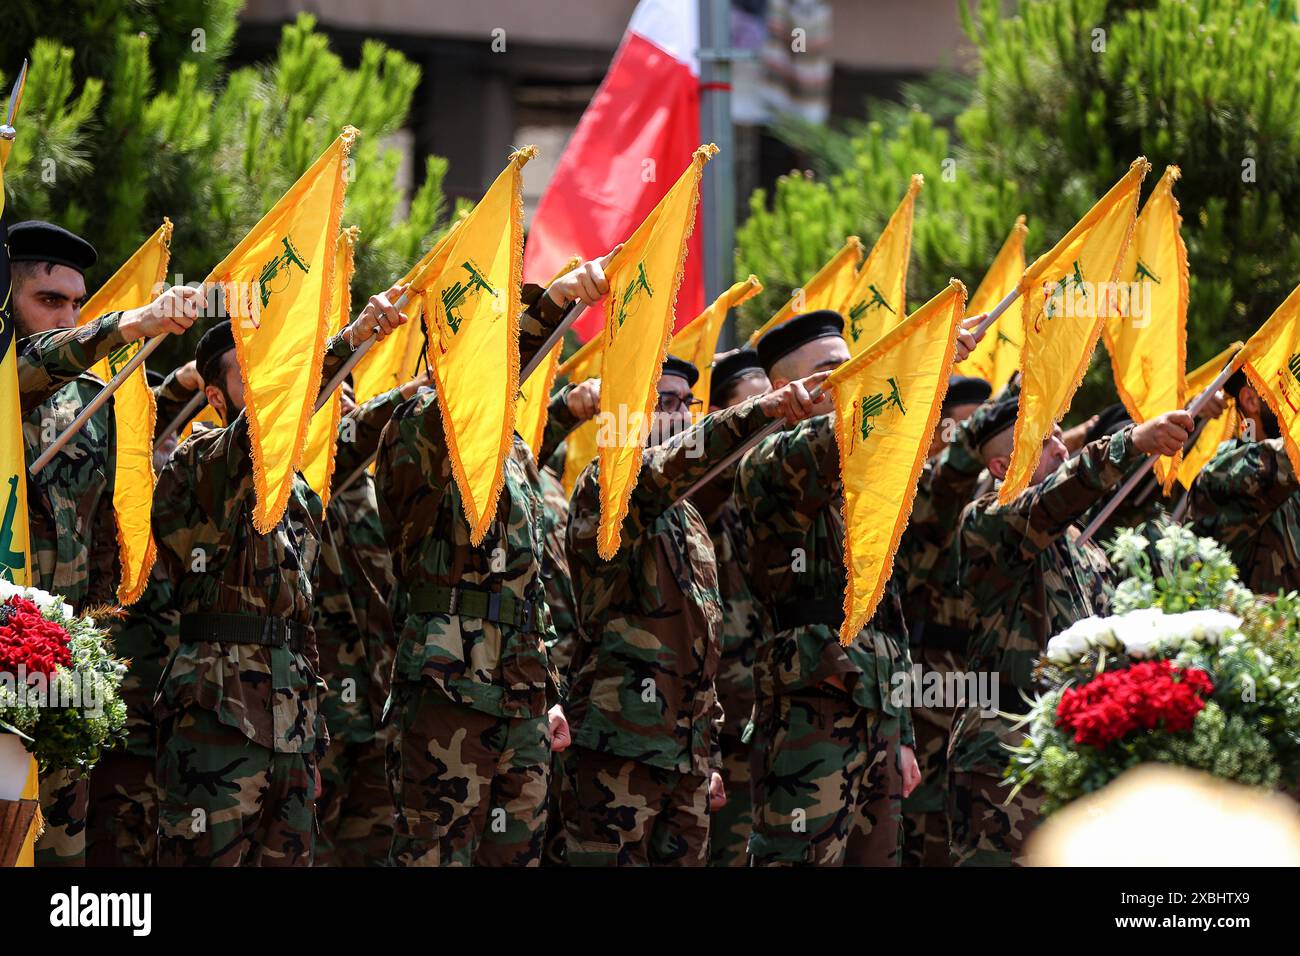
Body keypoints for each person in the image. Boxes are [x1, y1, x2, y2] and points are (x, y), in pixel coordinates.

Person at [374, 255, 621, 867]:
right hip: (447, 688)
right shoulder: (418, 427)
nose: (504, 362)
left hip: (522, 697)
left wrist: (550, 691)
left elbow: (527, 586)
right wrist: (558, 300)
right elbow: (470, 390)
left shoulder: (515, 450)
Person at [151, 285, 408, 867]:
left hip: (290, 723)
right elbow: (267, 425)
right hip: (217, 711)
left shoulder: (297, 493)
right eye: (251, 375)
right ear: (215, 395)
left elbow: (301, 617)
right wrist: (353, 340)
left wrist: (310, 731)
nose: (269, 386)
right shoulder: (199, 464)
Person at [559, 353, 829, 865]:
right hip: (619, 750)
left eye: (688, 403)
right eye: (666, 402)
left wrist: (707, 755)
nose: (682, 414)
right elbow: (669, 469)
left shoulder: (691, 521)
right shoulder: (607, 487)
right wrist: (761, 412)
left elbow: (700, 650)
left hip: (685, 759)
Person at [734, 309, 976, 866]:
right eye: (832, 372)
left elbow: (888, 613)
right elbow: (842, 433)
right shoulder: (770, 460)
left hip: (880, 711)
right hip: (812, 711)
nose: (850, 381)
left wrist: (905, 731)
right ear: (784, 389)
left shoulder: (861, 487)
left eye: (854, 368)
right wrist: (927, 364)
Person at [11, 220, 199, 866]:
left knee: (62, 853)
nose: (66, 314)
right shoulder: (9, 379)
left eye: (74, 302)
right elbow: (33, 367)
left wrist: (92, 656)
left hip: (59, 672)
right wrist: (131, 323)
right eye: (48, 300)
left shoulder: (92, 405)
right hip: (0, 664)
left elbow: (102, 541)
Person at [947, 397, 1193, 865]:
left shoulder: (1085, 550)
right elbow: (1049, 501)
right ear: (1001, 465)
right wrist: (1132, 442)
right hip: (1008, 749)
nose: (1062, 449)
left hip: (1076, 745)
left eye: (1061, 436)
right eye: (1045, 441)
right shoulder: (985, 523)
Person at [313, 375, 428, 866]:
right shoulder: (293, 481)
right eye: (325, 392)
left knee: (373, 849)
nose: (341, 404)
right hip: (320, 712)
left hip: (381, 704)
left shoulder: (389, 487)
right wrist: (409, 393)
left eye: (347, 391)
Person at [896, 374, 992, 868]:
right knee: (924, 813)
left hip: (981, 675)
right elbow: (943, 497)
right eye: (966, 428)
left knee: (975, 809)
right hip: (927, 676)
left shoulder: (995, 497)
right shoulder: (916, 495)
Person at [692, 348, 771, 867]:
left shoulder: (780, 487)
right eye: (755, 409)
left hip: (779, 711)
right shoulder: (707, 489)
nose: (771, 418)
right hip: (726, 717)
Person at [1188, 369, 1299, 594]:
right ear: (1251, 400)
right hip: (1256, 627)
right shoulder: (1225, 469)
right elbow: (1280, 461)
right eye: (1288, 387)